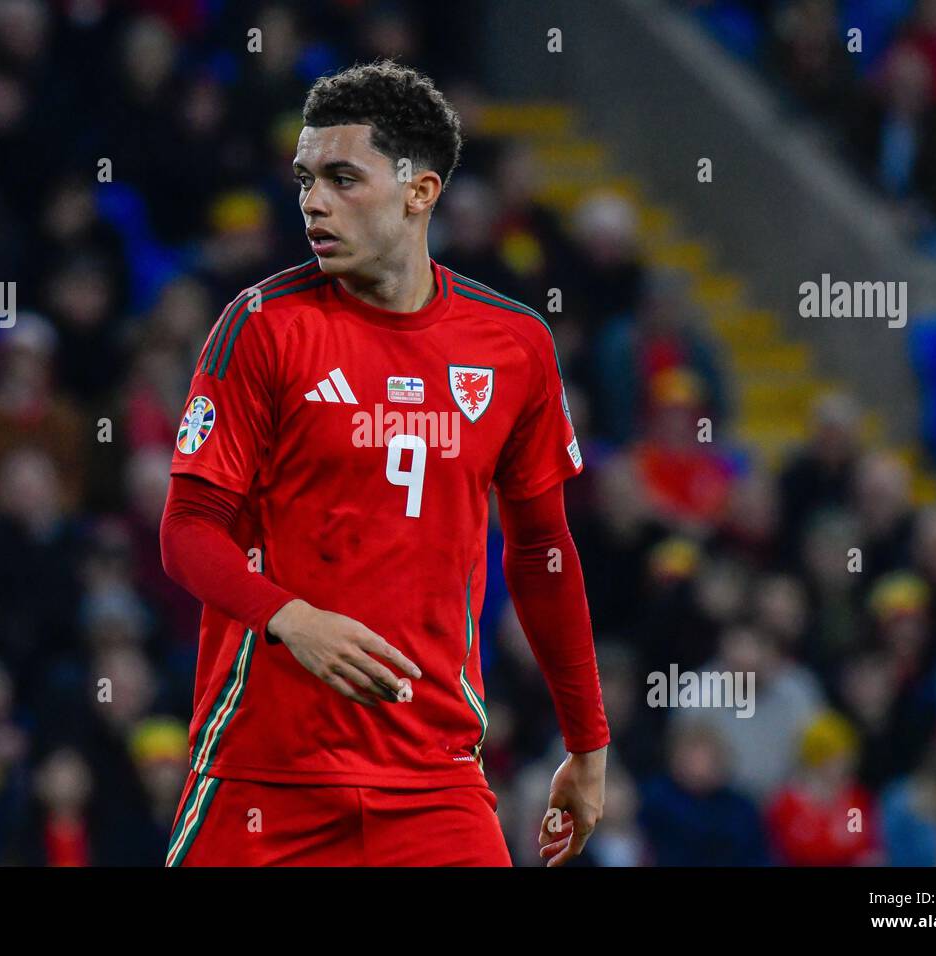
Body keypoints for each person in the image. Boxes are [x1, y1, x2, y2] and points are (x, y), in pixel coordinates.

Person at [160, 61, 609, 867]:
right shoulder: (262, 328)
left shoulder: (513, 345)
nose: (312, 202)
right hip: (266, 777)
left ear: (420, 191)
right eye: (304, 180)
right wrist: (292, 620)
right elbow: (187, 531)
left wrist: (587, 742)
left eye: (341, 178)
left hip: (435, 784)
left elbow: (543, 553)